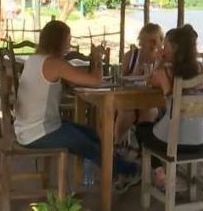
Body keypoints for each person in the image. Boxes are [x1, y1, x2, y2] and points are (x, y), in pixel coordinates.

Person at [14, 20, 139, 192]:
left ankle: (117, 169)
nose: (69, 44)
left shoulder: (33, 59)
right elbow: (96, 80)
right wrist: (96, 57)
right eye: (67, 40)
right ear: (58, 42)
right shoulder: (54, 63)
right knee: (89, 147)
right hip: (39, 133)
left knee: (93, 134)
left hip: (27, 128)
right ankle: (131, 171)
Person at [135, 24, 203, 187]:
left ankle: (159, 171)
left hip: (171, 143)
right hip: (199, 142)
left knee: (141, 129)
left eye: (165, 46)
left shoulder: (163, 73)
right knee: (156, 125)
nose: (162, 49)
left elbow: (149, 79)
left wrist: (159, 60)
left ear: (175, 49)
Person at [114, 23, 164, 144]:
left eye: (155, 41)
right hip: (130, 99)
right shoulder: (131, 56)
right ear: (141, 41)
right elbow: (119, 82)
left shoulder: (161, 59)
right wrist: (134, 75)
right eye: (149, 41)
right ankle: (116, 144)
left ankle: (143, 147)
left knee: (149, 111)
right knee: (126, 112)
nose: (152, 45)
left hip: (152, 101)